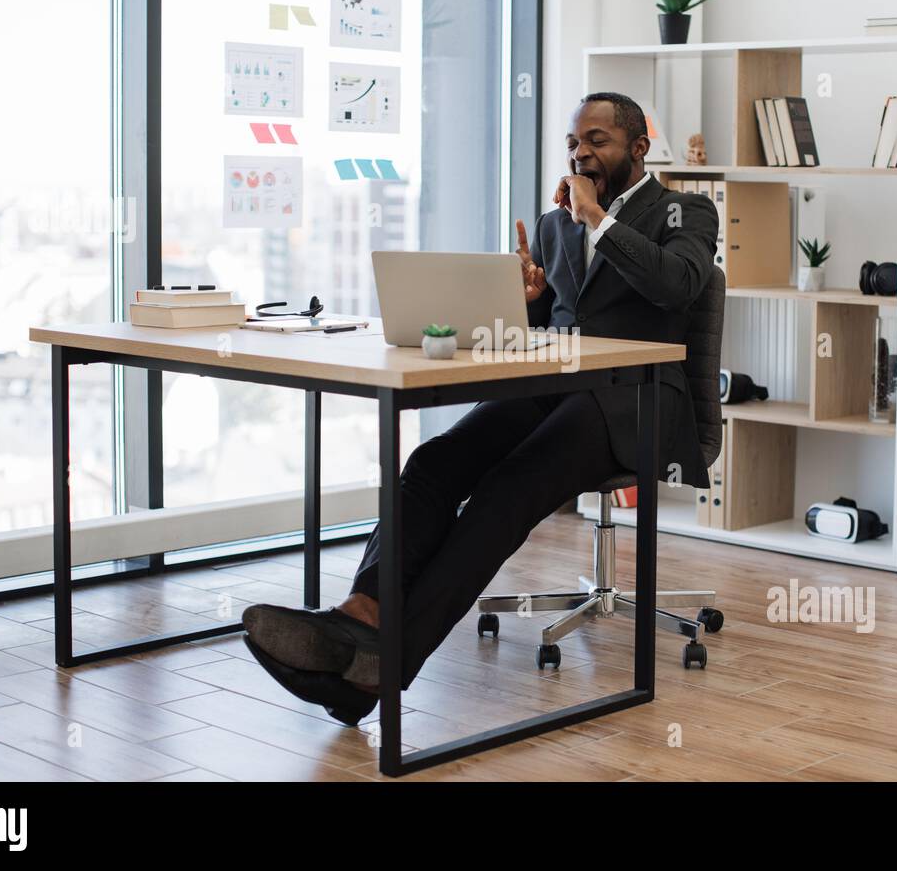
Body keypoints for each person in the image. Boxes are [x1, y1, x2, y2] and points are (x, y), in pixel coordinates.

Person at [241, 92, 719, 725]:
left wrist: (600, 220)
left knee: (508, 488)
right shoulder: (554, 227)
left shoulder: (686, 212)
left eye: (598, 140)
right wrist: (524, 301)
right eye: (575, 142)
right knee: (436, 460)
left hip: (638, 400)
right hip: (558, 384)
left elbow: (678, 284)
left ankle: (372, 674)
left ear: (638, 148)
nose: (581, 152)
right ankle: (363, 613)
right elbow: (550, 327)